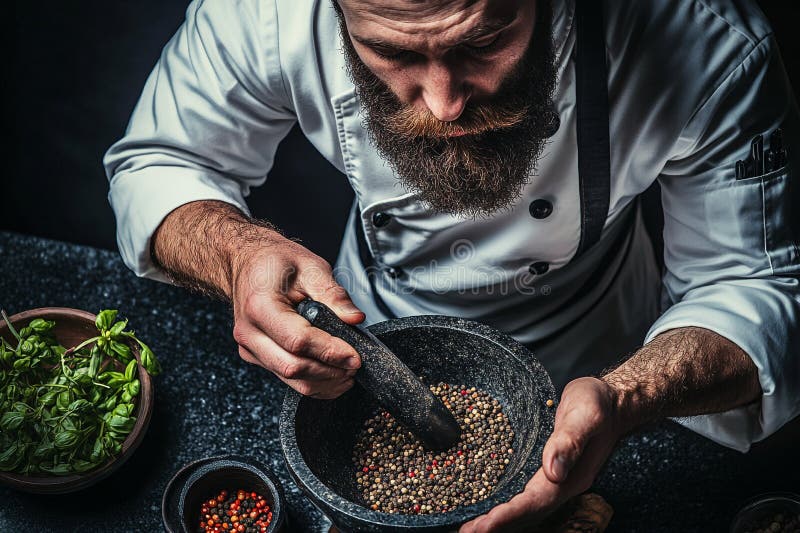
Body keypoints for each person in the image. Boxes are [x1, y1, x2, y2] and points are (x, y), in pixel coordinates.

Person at [104, 0, 799, 530]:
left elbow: (756, 285)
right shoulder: (267, 14)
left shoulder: (703, 41)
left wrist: (627, 399)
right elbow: (160, 163)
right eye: (388, 51)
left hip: (608, 349)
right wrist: (239, 253)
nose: (444, 103)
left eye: (486, 39)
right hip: (369, 327)